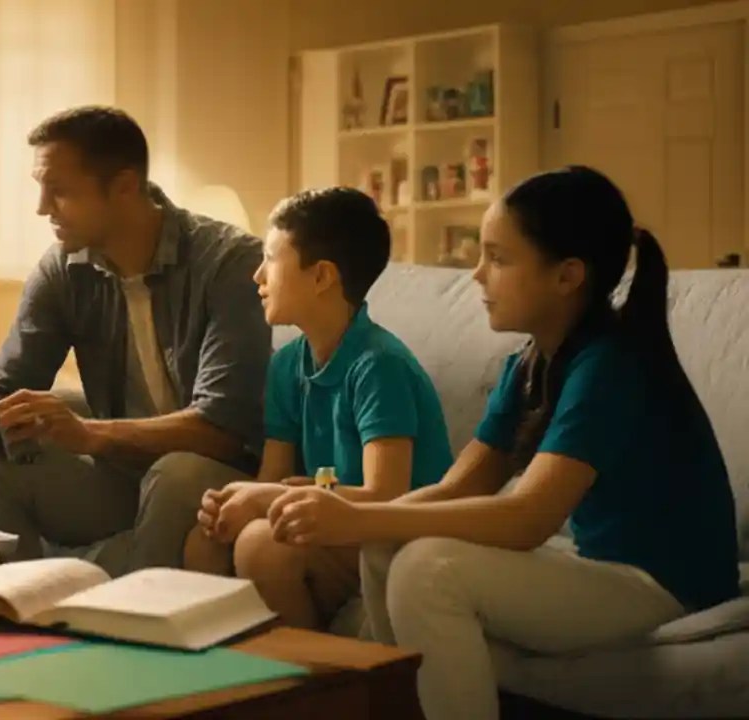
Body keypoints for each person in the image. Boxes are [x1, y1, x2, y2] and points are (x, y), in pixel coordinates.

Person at [264, 166, 740, 720]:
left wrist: (362, 518)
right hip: (602, 564)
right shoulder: (531, 363)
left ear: (567, 276)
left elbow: (527, 516)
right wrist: (357, 517)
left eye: (498, 258)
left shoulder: (612, 364)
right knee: (387, 547)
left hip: (665, 584)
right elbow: (460, 486)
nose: (476, 276)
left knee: (427, 570)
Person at [0, 105, 272, 576]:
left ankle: (128, 618)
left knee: (175, 472)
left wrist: (90, 434)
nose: (42, 207)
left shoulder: (229, 262)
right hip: (121, 473)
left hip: (216, 475)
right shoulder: (63, 268)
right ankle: (20, 612)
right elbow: (6, 392)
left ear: (124, 187)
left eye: (59, 191)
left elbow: (224, 430)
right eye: (41, 189)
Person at [184, 187, 453, 632]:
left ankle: (315, 687)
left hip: (393, 533)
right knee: (206, 540)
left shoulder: (378, 366)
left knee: (261, 546)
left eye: (270, 258)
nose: (257, 276)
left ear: (322, 276)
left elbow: (385, 497)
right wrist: (238, 500)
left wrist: (268, 498)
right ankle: (227, 687)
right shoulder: (289, 363)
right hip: (332, 522)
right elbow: (273, 476)